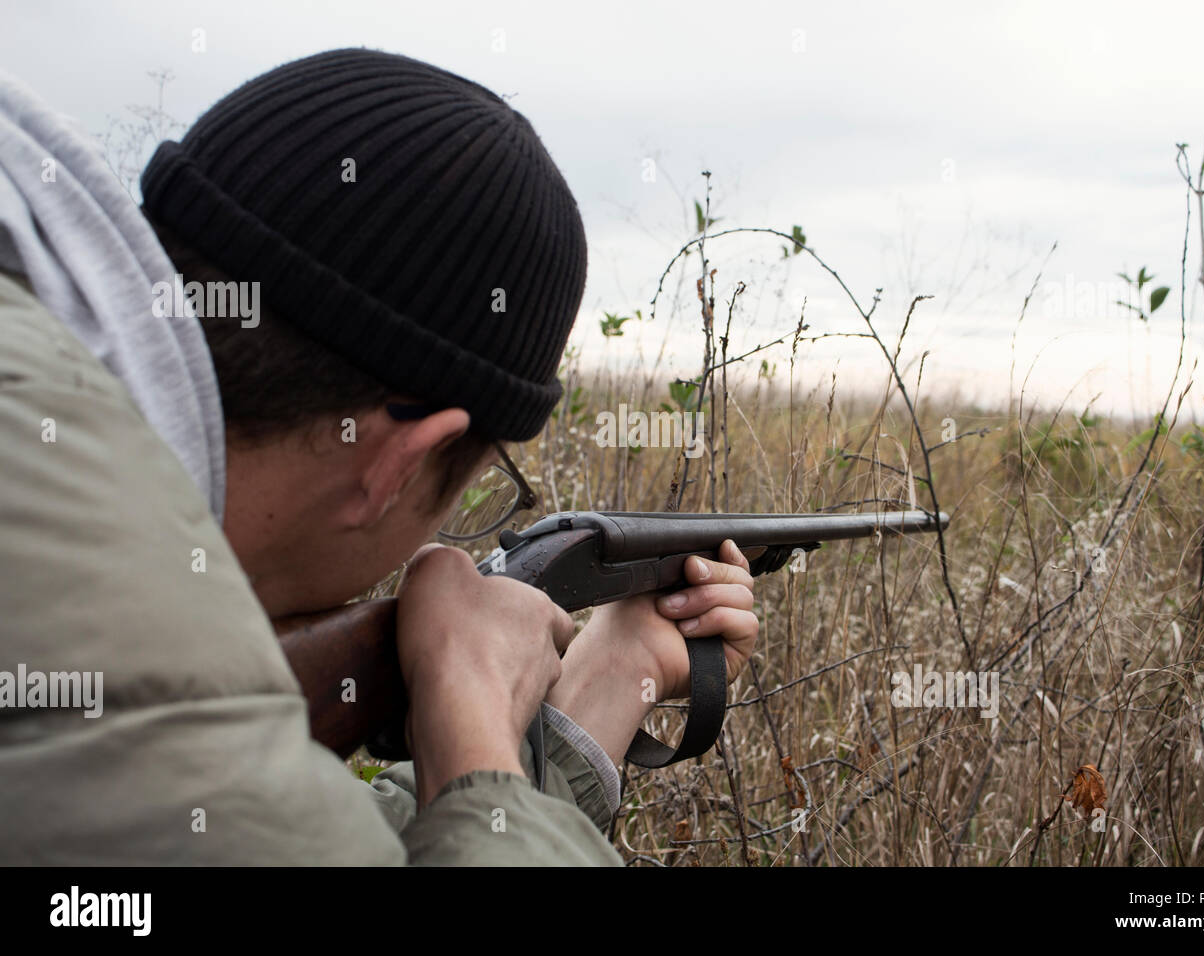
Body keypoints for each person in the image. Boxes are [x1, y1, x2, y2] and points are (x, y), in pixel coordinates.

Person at [0, 48, 758, 864]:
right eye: (472, 485)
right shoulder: (132, 678)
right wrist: (468, 716)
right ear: (396, 464)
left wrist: (607, 685)